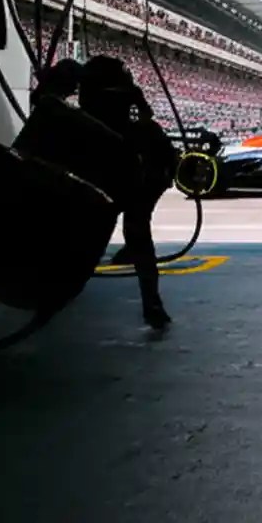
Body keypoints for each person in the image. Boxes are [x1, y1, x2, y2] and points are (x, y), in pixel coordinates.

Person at [75, 55, 178, 329]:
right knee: (137, 234)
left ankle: (150, 299)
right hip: (130, 181)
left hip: (117, 179)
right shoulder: (142, 127)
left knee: (121, 231)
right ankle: (152, 302)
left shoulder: (104, 123)